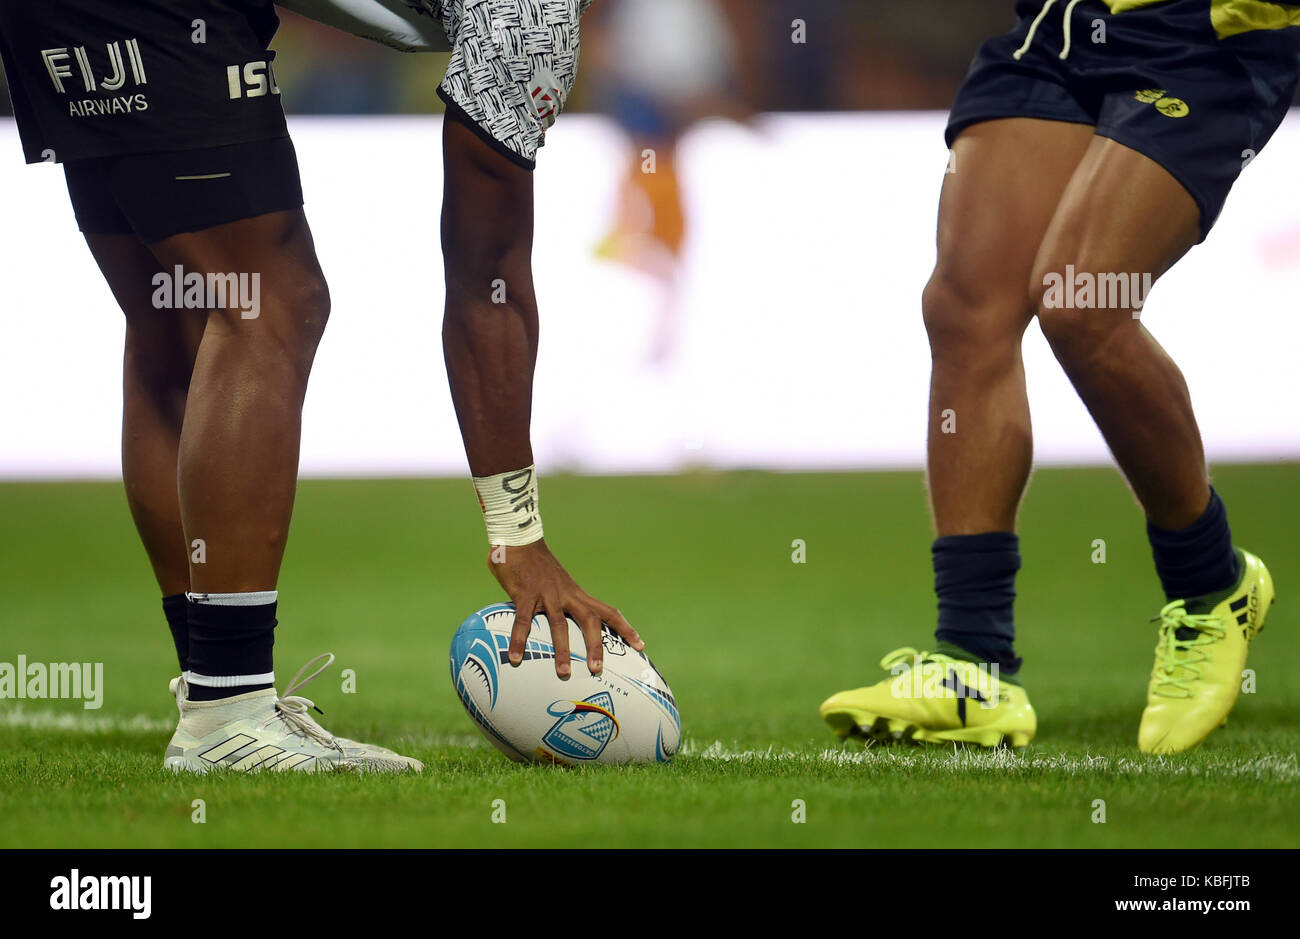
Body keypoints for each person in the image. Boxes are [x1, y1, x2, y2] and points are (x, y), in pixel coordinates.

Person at [820, 0, 1296, 754]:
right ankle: (973, 662)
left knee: (1081, 299)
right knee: (966, 303)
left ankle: (1212, 588)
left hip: (1203, 37)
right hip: (1063, 24)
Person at [279, 0, 644, 676]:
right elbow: (488, 274)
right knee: (265, 303)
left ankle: (219, 696)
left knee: (195, 306)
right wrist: (517, 534)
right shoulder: (531, 16)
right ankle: (226, 704)